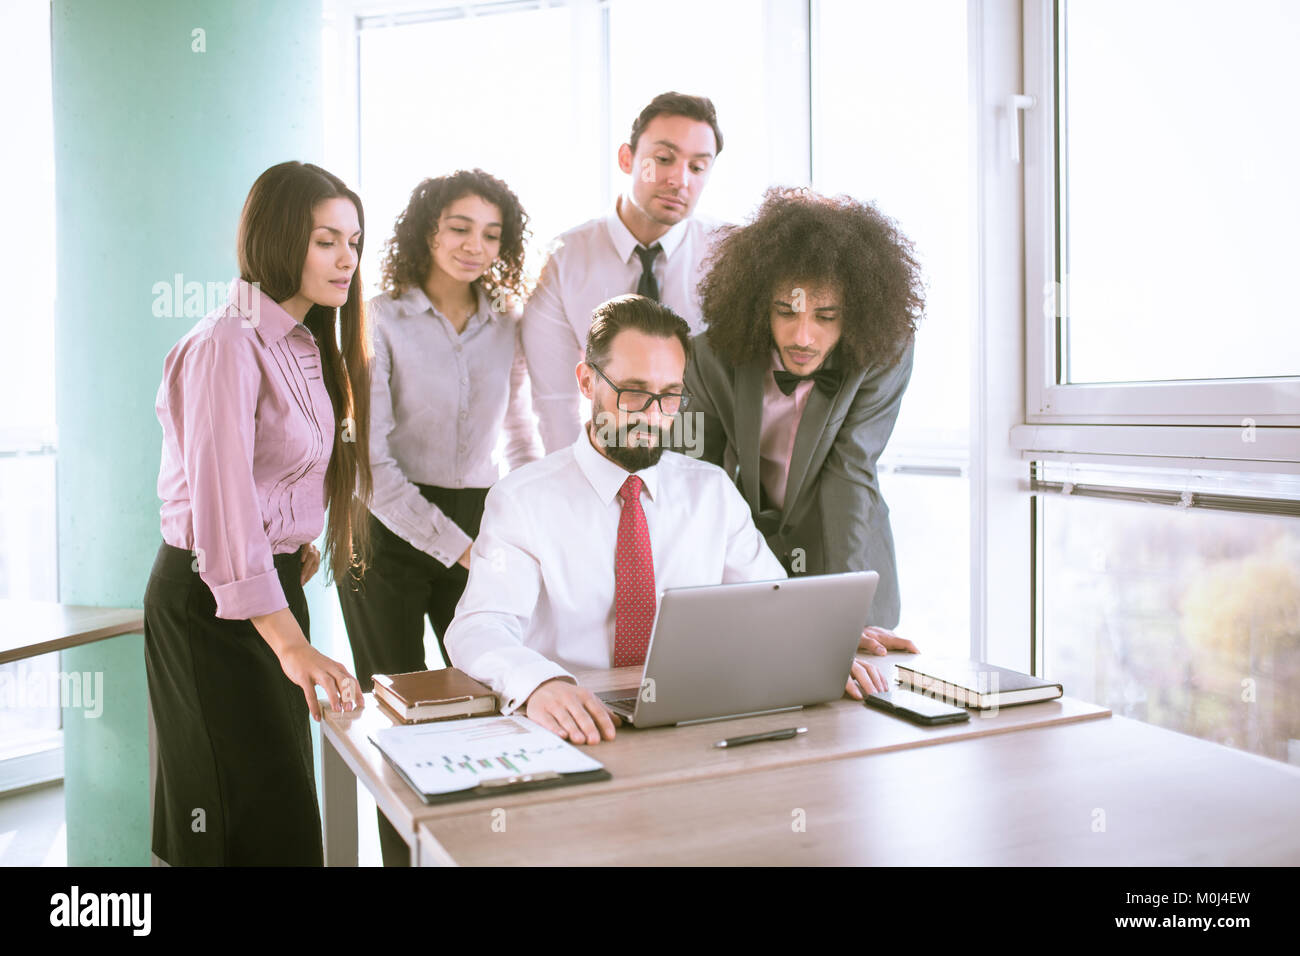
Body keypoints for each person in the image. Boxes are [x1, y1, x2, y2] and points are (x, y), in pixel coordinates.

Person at [444, 295, 888, 745]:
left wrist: (818, 649)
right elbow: (478, 627)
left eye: (670, 395)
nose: (654, 415)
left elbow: (771, 603)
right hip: (577, 727)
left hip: (693, 728)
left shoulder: (711, 491)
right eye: (634, 392)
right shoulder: (522, 499)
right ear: (586, 381)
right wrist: (539, 683)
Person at [143, 161, 370, 866]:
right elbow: (222, 507)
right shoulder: (226, 342)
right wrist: (290, 641)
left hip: (267, 592)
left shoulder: (302, 342)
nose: (346, 260)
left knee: (279, 812)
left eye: (354, 242)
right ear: (277, 239)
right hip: (209, 606)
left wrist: (292, 538)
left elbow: (274, 473)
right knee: (232, 820)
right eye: (326, 240)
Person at [336, 169, 540, 865]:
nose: (474, 245)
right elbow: (371, 467)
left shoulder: (509, 323)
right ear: (427, 229)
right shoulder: (377, 316)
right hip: (383, 529)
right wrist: (463, 550)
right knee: (400, 714)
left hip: (478, 521)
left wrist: (536, 515)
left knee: (489, 698)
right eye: (459, 227)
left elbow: (519, 432)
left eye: (491, 234)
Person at [683, 186, 924, 653]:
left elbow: (850, 472)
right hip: (745, 555)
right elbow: (695, 479)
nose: (804, 336)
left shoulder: (884, 353)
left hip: (844, 547)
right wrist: (691, 594)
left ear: (855, 314)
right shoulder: (709, 358)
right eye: (785, 312)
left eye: (826, 316)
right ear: (757, 306)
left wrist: (846, 611)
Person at [522, 91, 725, 454]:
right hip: (602, 453)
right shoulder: (563, 261)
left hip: (702, 460)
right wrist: (577, 485)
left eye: (697, 167)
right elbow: (555, 402)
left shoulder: (728, 256)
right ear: (626, 158)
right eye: (663, 159)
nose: (680, 180)